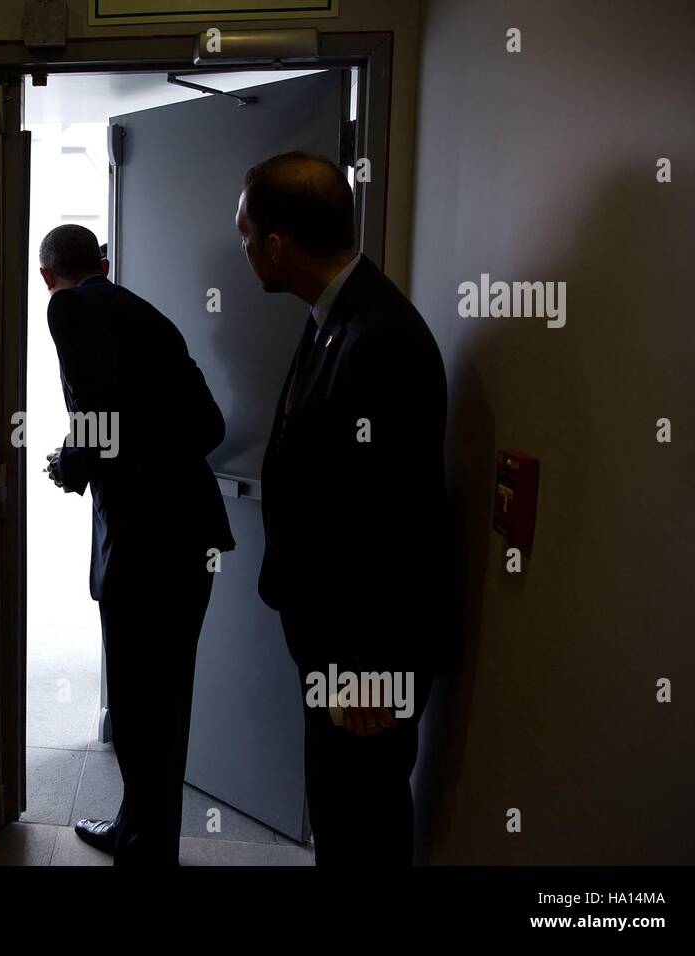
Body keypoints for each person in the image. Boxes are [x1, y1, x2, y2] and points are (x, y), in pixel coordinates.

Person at [235, 152, 449, 864]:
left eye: (246, 237)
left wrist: (365, 665)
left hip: (365, 657)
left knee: (364, 823)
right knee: (338, 812)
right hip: (333, 642)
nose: (244, 252)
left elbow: (397, 518)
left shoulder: (380, 337)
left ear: (277, 245)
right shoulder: (333, 316)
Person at [40, 224, 234, 865]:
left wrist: (68, 467)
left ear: (47, 276)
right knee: (166, 697)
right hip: (192, 533)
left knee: (133, 696)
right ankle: (143, 833)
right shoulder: (147, 314)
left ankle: (142, 843)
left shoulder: (67, 307)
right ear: (102, 261)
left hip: (144, 542)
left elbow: (92, 417)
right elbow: (209, 425)